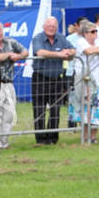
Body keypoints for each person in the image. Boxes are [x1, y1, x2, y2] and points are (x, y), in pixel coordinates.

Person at [31, 16, 73, 145]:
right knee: (39, 109)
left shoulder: (61, 38)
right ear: (44, 27)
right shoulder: (38, 38)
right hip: (40, 78)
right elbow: (40, 52)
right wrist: (60, 54)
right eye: (49, 25)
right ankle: (40, 139)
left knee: (55, 109)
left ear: (57, 27)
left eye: (54, 26)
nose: (51, 28)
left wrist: (69, 53)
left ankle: (52, 138)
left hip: (57, 79)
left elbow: (73, 50)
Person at [68, 19, 99, 140]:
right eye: (92, 32)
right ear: (85, 33)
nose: (95, 34)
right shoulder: (81, 41)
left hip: (96, 80)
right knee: (84, 107)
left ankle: (93, 136)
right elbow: (88, 51)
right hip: (83, 79)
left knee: (96, 108)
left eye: (96, 31)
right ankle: (85, 136)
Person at [0, 20, 27, 149]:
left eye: (0, 30)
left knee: (9, 113)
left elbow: (25, 52)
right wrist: (7, 55)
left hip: (9, 83)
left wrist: (18, 56)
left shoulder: (10, 42)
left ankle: (5, 141)